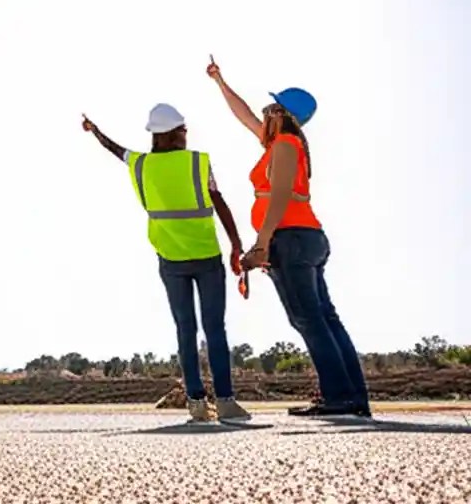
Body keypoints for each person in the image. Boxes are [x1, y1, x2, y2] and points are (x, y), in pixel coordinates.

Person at [205, 56, 371, 418]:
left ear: (281, 113)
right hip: (306, 237)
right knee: (324, 318)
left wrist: (262, 244)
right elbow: (244, 115)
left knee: (309, 320)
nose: (263, 113)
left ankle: (340, 397)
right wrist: (220, 82)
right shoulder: (281, 144)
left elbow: (279, 195)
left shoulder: (283, 147)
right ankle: (353, 397)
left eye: (270, 107)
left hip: (290, 239)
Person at [83, 104, 251, 423]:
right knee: (215, 329)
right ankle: (226, 403)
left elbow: (115, 149)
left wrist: (95, 131)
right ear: (171, 134)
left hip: (171, 259)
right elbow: (219, 201)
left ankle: (197, 404)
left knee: (185, 331)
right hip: (206, 255)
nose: (187, 135)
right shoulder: (197, 162)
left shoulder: (141, 164)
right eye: (183, 131)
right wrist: (236, 245)